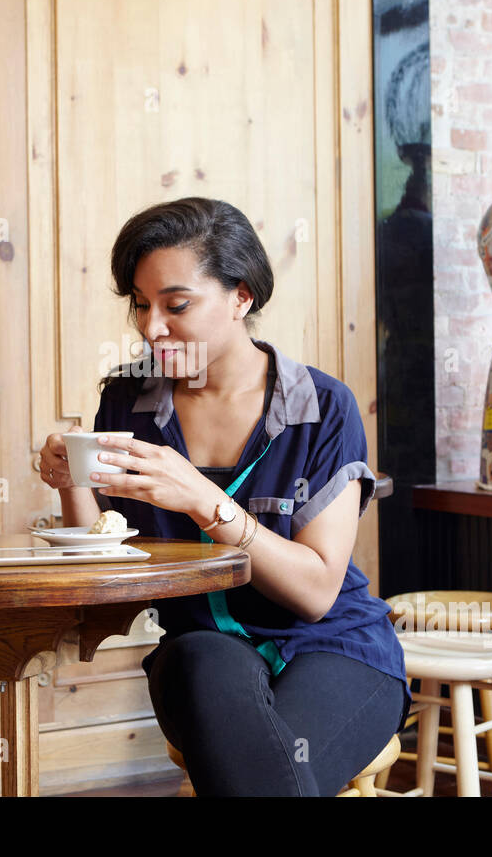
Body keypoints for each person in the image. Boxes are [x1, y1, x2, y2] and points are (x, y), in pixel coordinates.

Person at [37, 197, 411, 796]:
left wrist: (202, 498)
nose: (150, 327)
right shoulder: (128, 402)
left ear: (242, 297)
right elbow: (100, 566)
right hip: (201, 654)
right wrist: (71, 482)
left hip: (335, 647)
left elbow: (315, 592)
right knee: (206, 668)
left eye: (175, 304)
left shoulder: (322, 408)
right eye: (140, 304)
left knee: (269, 777)